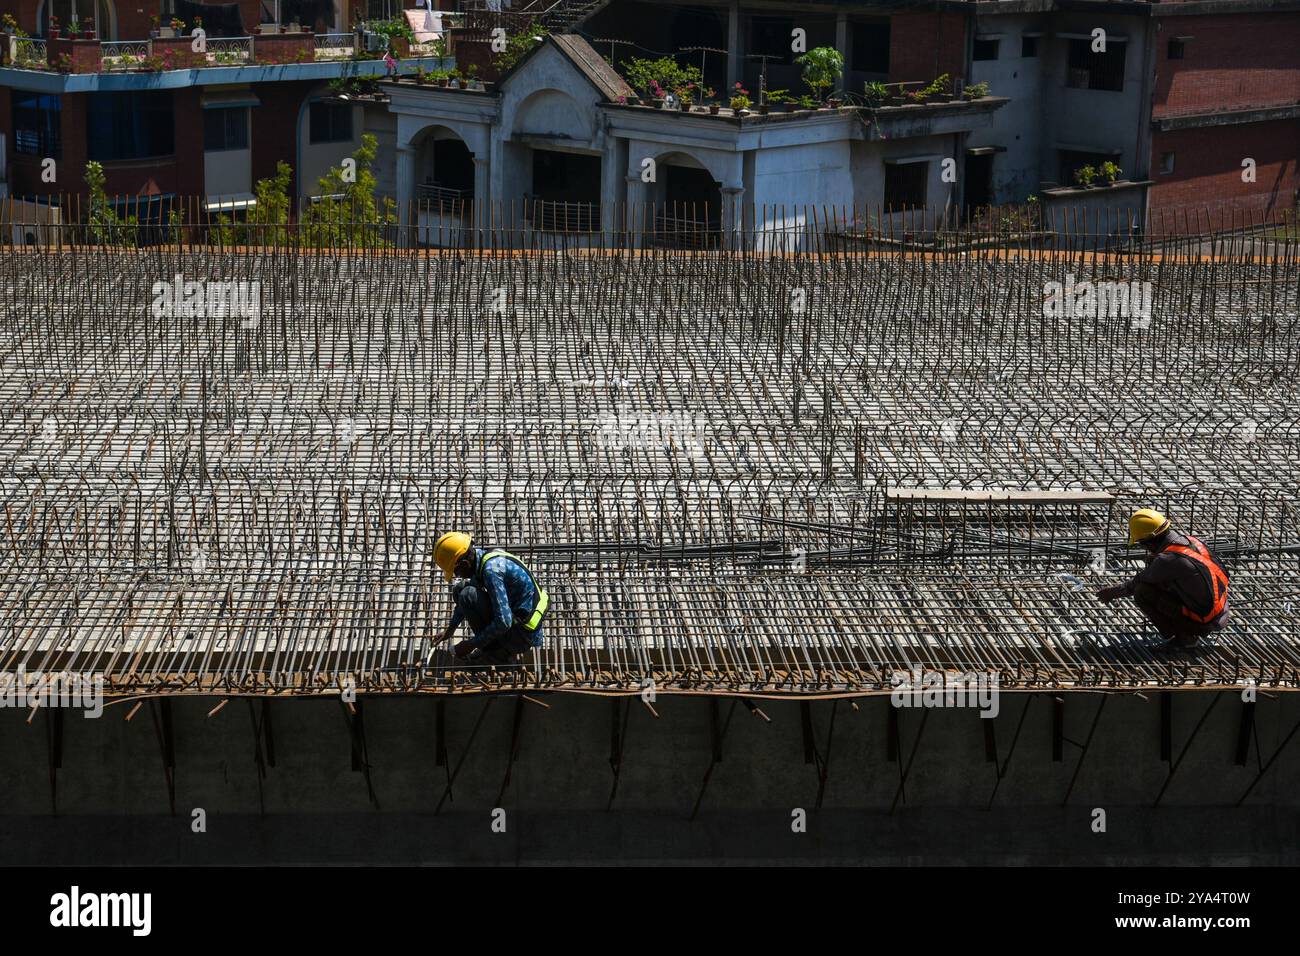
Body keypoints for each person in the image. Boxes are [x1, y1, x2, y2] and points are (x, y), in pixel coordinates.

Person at [1097, 509, 1230, 649]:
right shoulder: (1192, 541)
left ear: (1149, 543)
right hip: (1221, 612)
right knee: (1157, 573)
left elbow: (1137, 582)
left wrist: (1111, 593)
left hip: (1205, 619)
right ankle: (1192, 627)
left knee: (1142, 591)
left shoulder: (1168, 560)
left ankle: (1186, 637)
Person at [430, 531, 548, 665]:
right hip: (517, 623)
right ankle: (495, 648)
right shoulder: (484, 558)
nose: (458, 576)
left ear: (465, 563)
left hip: (523, 635)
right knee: (461, 588)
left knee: (467, 594)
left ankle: (498, 655)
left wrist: (471, 644)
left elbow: (504, 622)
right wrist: (450, 630)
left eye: (456, 572)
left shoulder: (491, 571)